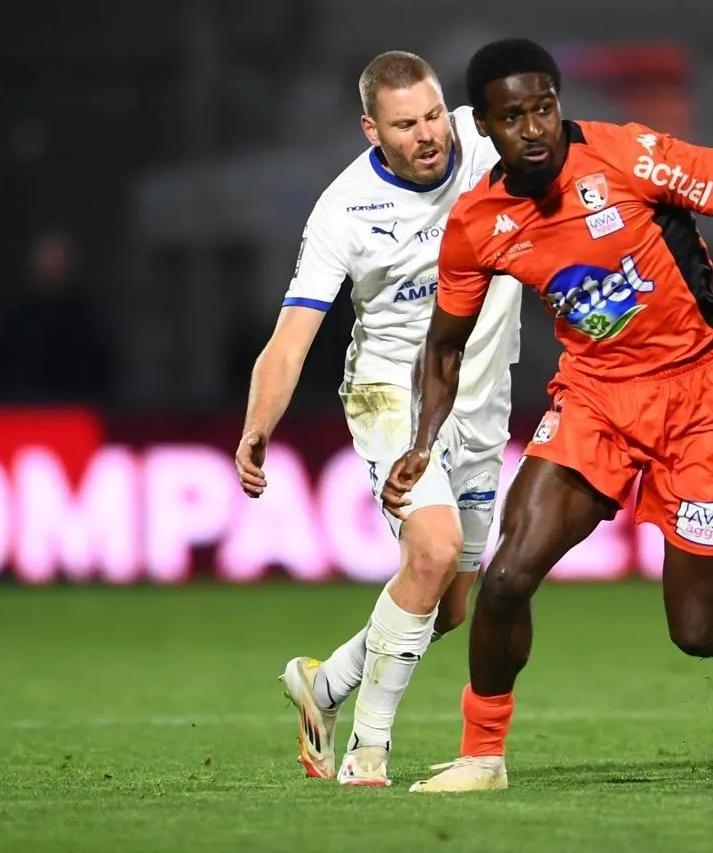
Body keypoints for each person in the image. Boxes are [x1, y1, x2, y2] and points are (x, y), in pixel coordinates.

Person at [380, 38, 713, 793]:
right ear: (484, 125)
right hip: (596, 399)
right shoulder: (478, 223)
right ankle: (482, 755)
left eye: (545, 106)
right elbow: (443, 347)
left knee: (692, 628)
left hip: (702, 394)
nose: (536, 127)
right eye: (515, 116)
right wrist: (421, 441)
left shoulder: (629, 156)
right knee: (507, 574)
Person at [234, 50, 522, 787]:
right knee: (430, 552)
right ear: (372, 131)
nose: (428, 135)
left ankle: (324, 684)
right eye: (405, 125)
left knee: (449, 605)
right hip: (390, 393)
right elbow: (291, 337)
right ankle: (369, 749)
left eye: (432, 115)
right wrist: (257, 426)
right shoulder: (343, 210)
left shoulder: (490, 141)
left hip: (482, 401)